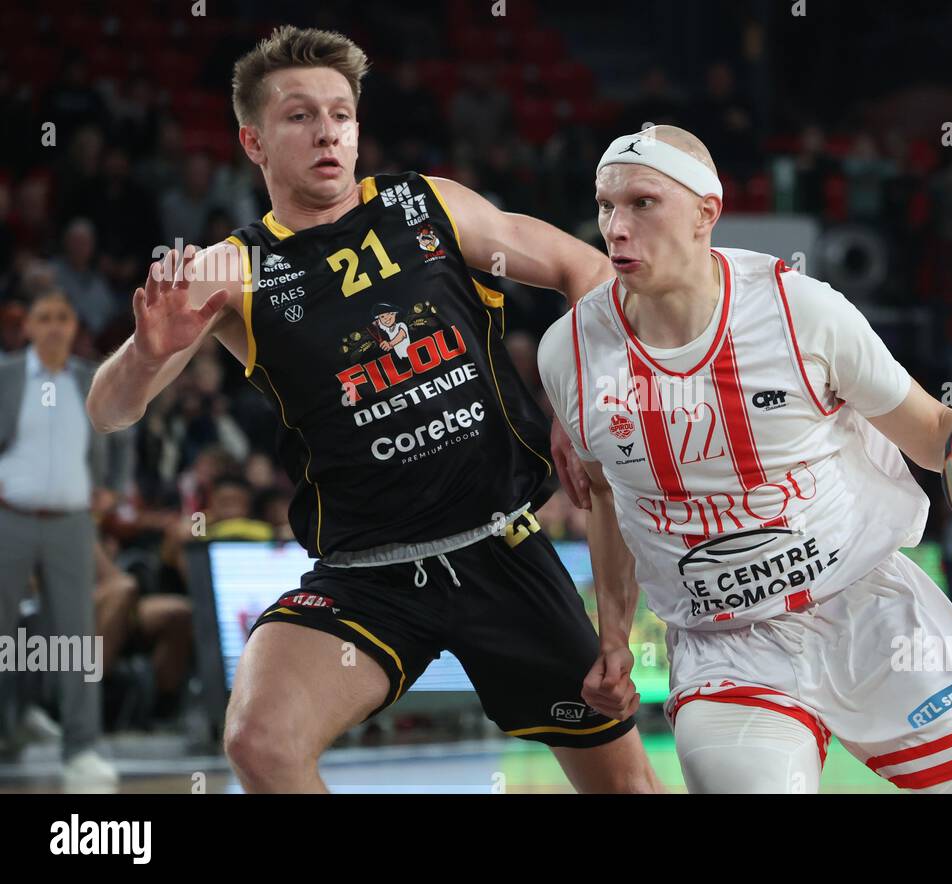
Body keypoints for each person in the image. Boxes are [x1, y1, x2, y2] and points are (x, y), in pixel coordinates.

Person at [86, 26, 659, 794]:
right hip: (365, 578)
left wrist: (574, 398)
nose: (327, 132)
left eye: (341, 114)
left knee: (628, 788)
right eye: (299, 116)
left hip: (500, 550)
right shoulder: (232, 270)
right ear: (253, 141)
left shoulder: (428, 204)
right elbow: (108, 411)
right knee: (260, 742)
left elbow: (586, 269)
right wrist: (145, 354)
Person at [538, 125, 952, 794]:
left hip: (868, 610)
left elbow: (932, 430)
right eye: (606, 205)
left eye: (643, 203)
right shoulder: (569, 353)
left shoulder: (801, 312)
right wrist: (613, 637)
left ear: (706, 212)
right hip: (727, 650)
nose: (616, 227)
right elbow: (609, 495)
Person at [0, 287, 132, 787]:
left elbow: (123, 430)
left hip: (73, 523)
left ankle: (81, 748)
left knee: (76, 640)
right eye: (45, 317)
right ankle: (11, 725)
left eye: (63, 317)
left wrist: (114, 488)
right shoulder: (7, 376)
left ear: (75, 326)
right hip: (9, 518)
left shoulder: (89, 379)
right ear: (28, 326)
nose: (54, 326)